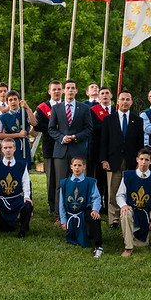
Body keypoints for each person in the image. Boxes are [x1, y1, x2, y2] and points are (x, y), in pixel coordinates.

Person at [99, 90, 145, 229]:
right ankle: (114, 219)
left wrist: (139, 161)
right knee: (113, 190)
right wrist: (103, 160)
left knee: (130, 189)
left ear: (131, 102)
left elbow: (140, 142)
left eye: (128, 99)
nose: (125, 102)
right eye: (122, 99)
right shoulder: (109, 119)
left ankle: (128, 216)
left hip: (131, 161)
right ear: (117, 101)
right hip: (113, 160)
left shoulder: (138, 120)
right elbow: (104, 141)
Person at [48, 80, 94, 213]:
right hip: (60, 151)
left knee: (79, 183)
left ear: (76, 91)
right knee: (60, 184)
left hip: (78, 150)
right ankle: (59, 214)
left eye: (72, 88)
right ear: (63, 90)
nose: (70, 90)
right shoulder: (56, 108)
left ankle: (79, 211)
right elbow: (51, 129)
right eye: (67, 88)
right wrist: (62, 137)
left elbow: (89, 129)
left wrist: (76, 137)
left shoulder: (84, 108)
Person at [115, 148, 151, 257]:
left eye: (146, 160)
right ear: (137, 159)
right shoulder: (128, 176)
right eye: (141, 159)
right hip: (131, 209)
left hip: (146, 212)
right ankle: (128, 247)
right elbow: (120, 195)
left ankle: (127, 233)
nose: (143, 162)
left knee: (142, 244)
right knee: (125, 214)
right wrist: (123, 205)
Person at [58, 156, 104, 258]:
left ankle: (98, 246)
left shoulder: (90, 182)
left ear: (84, 167)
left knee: (95, 217)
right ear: (71, 167)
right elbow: (61, 203)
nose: (77, 168)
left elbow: (96, 198)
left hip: (84, 211)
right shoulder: (65, 183)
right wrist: (63, 221)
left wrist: (95, 210)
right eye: (75, 165)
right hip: (70, 214)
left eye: (79, 165)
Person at [0, 138, 33, 237]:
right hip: (3, 201)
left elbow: (26, 183)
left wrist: (27, 196)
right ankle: (11, 222)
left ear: (14, 149)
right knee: (5, 229)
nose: (8, 150)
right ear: (2, 149)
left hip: (17, 199)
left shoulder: (22, 165)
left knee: (28, 205)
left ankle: (23, 230)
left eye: (10, 147)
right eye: (5, 148)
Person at [34, 81, 63, 217]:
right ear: (49, 91)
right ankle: (52, 205)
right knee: (51, 178)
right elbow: (38, 126)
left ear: (62, 91)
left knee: (63, 177)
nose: (57, 92)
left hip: (65, 146)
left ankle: (62, 203)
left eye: (59, 89)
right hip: (50, 146)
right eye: (54, 89)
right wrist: (54, 128)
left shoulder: (67, 106)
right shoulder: (42, 108)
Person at [87, 87, 114, 213]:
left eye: (107, 93)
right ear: (98, 97)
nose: (104, 95)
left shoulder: (116, 110)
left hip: (112, 150)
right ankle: (97, 205)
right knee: (98, 179)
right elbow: (92, 127)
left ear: (111, 96)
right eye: (102, 93)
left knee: (111, 180)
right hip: (97, 149)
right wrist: (110, 125)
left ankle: (109, 206)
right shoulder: (92, 111)